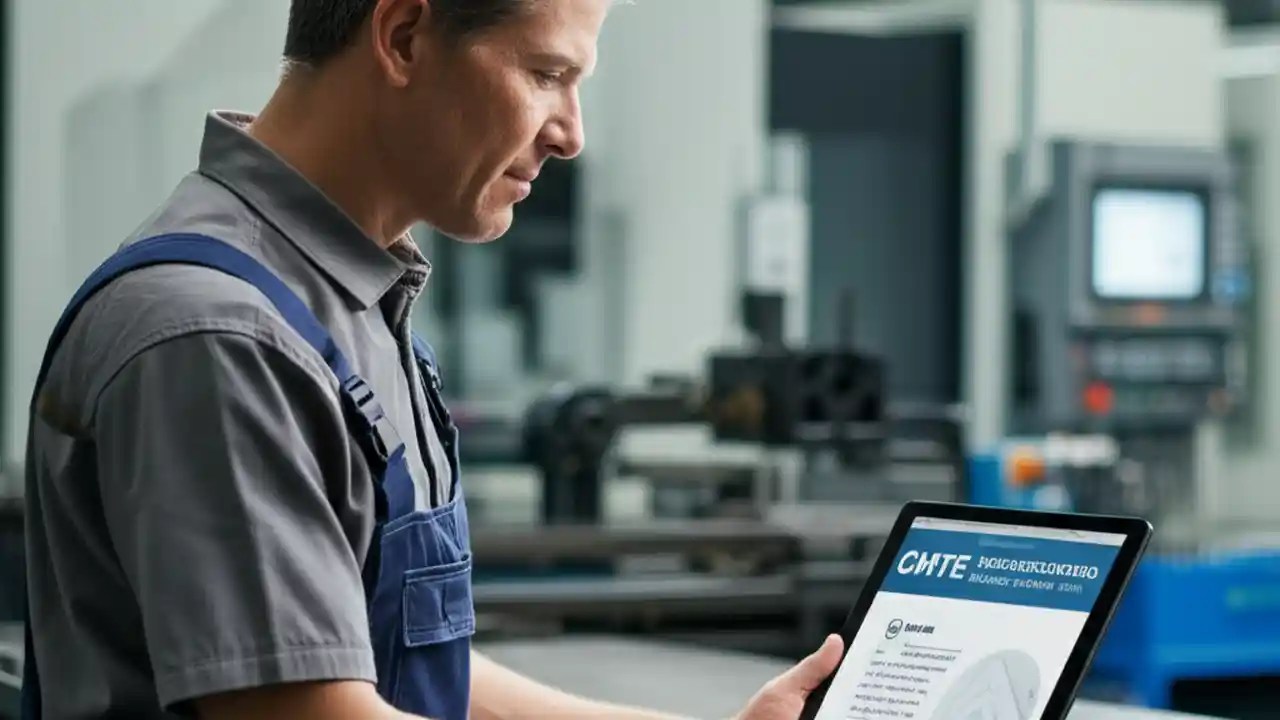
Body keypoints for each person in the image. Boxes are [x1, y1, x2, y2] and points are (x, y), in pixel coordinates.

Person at [22, 0, 844, 718]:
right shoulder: (221, 335)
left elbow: (389, 663)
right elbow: (312, 714)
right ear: (406, 36)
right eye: (546, 72)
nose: (571, 134)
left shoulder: (346, 306)